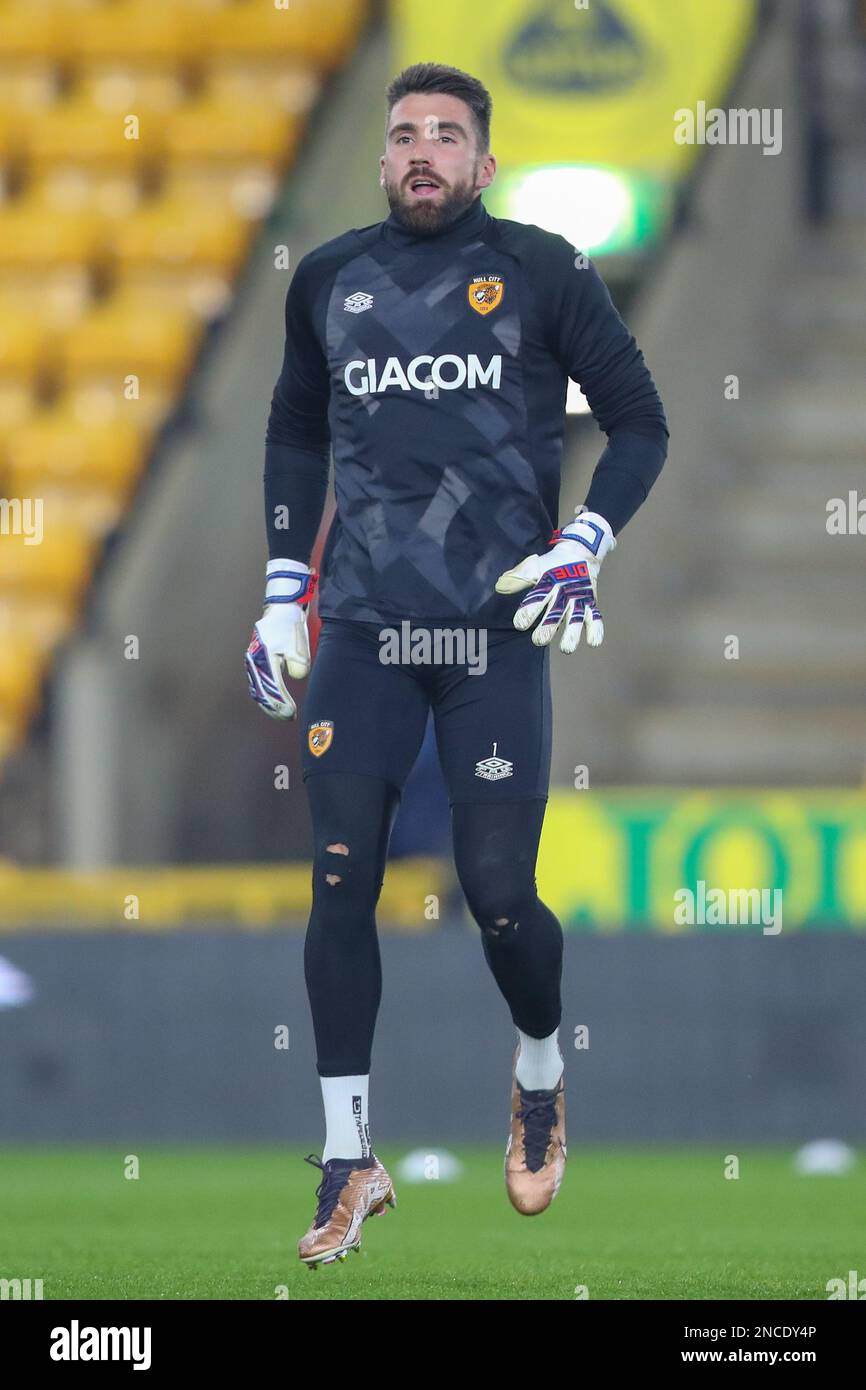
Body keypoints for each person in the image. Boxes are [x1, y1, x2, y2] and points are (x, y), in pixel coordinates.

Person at [244, 62, 668, 1267]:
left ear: (483, 163)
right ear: (380, 161)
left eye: (446, 134)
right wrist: (285, 593)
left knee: (496, 897)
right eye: (402, 134)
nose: (421, 149)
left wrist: (585, 539)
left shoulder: (539, 269)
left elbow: (638, 417)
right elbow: (291, 425)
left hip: (492, 629)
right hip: (366, 631)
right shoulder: (327, 279)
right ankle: (347, 1159)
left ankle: (537, 1065)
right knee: (339, 879)